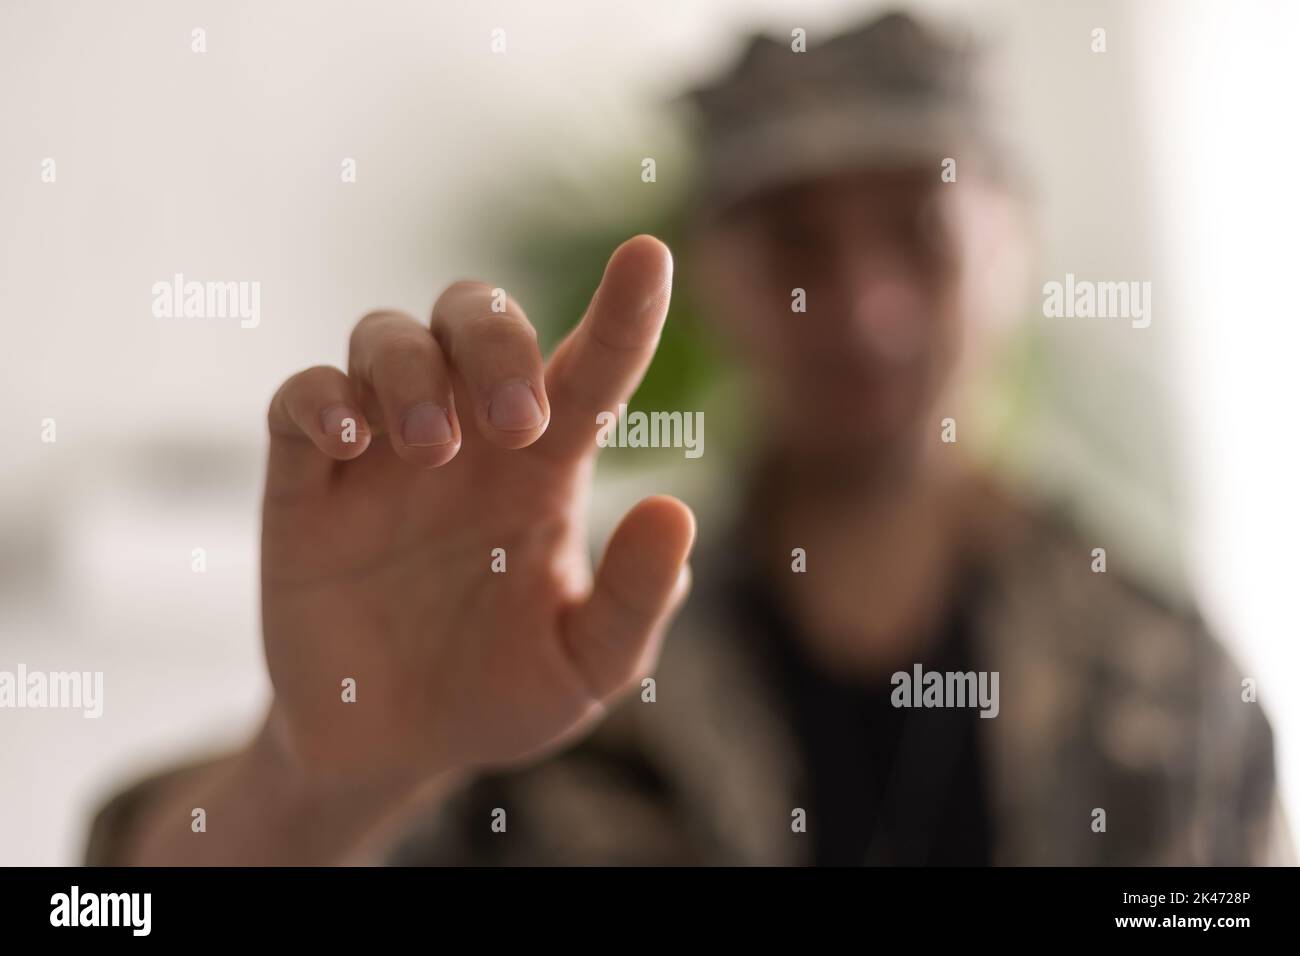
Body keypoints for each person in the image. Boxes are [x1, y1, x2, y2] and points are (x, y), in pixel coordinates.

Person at [85, 12, 1287, 866]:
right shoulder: (543, 639)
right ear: (715, 274)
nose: (860, 304)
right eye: (795, 243)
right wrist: (320, 781)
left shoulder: (1163, 678)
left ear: (1011, 244)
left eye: (918, 228)